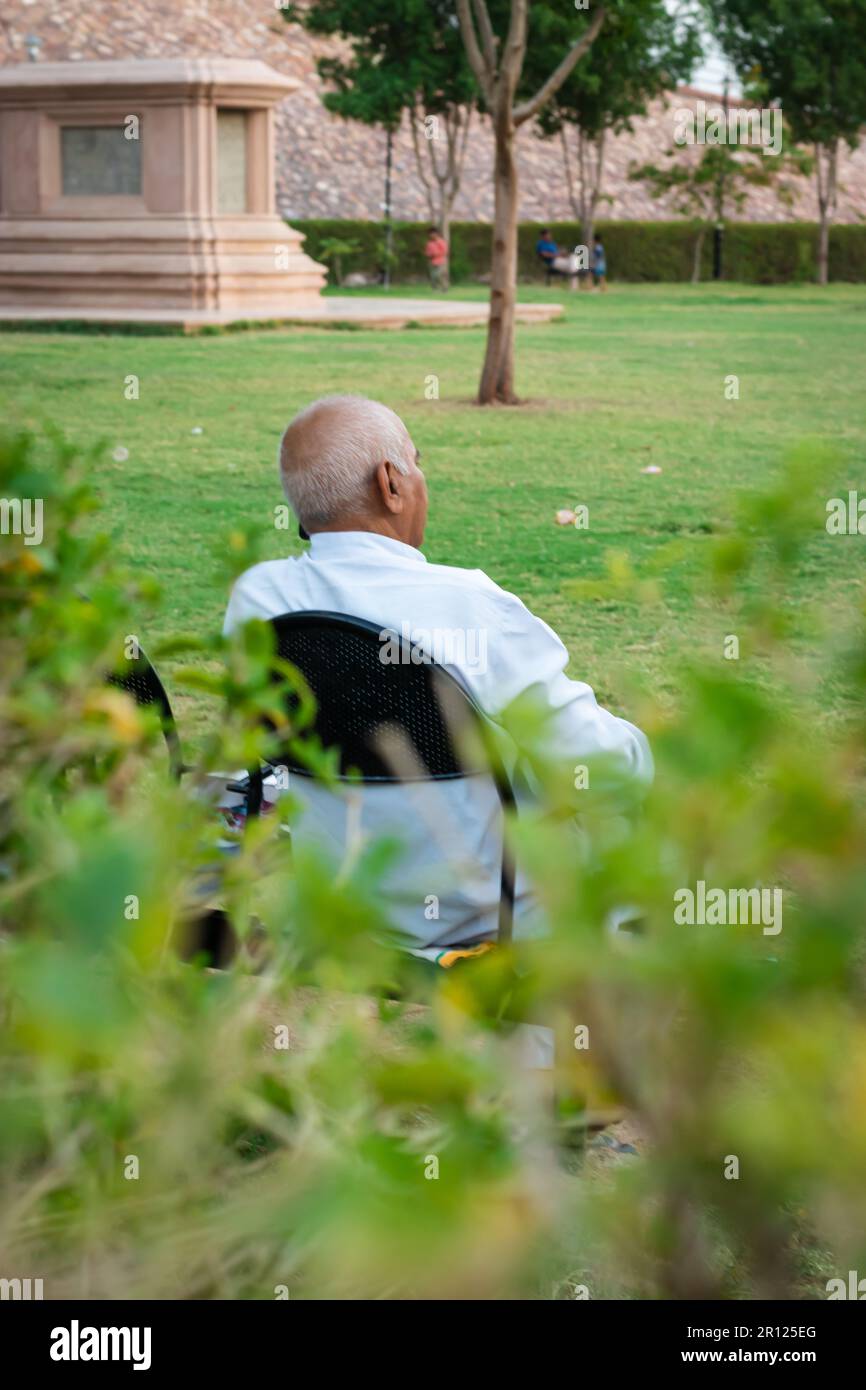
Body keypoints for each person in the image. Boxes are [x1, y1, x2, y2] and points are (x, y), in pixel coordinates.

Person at [223, 395, 652, 953]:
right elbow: (603, 766)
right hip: (494, 918)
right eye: (416, 462)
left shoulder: (257, 599)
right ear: (391, 484)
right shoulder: (470, 605)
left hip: (342, 910)